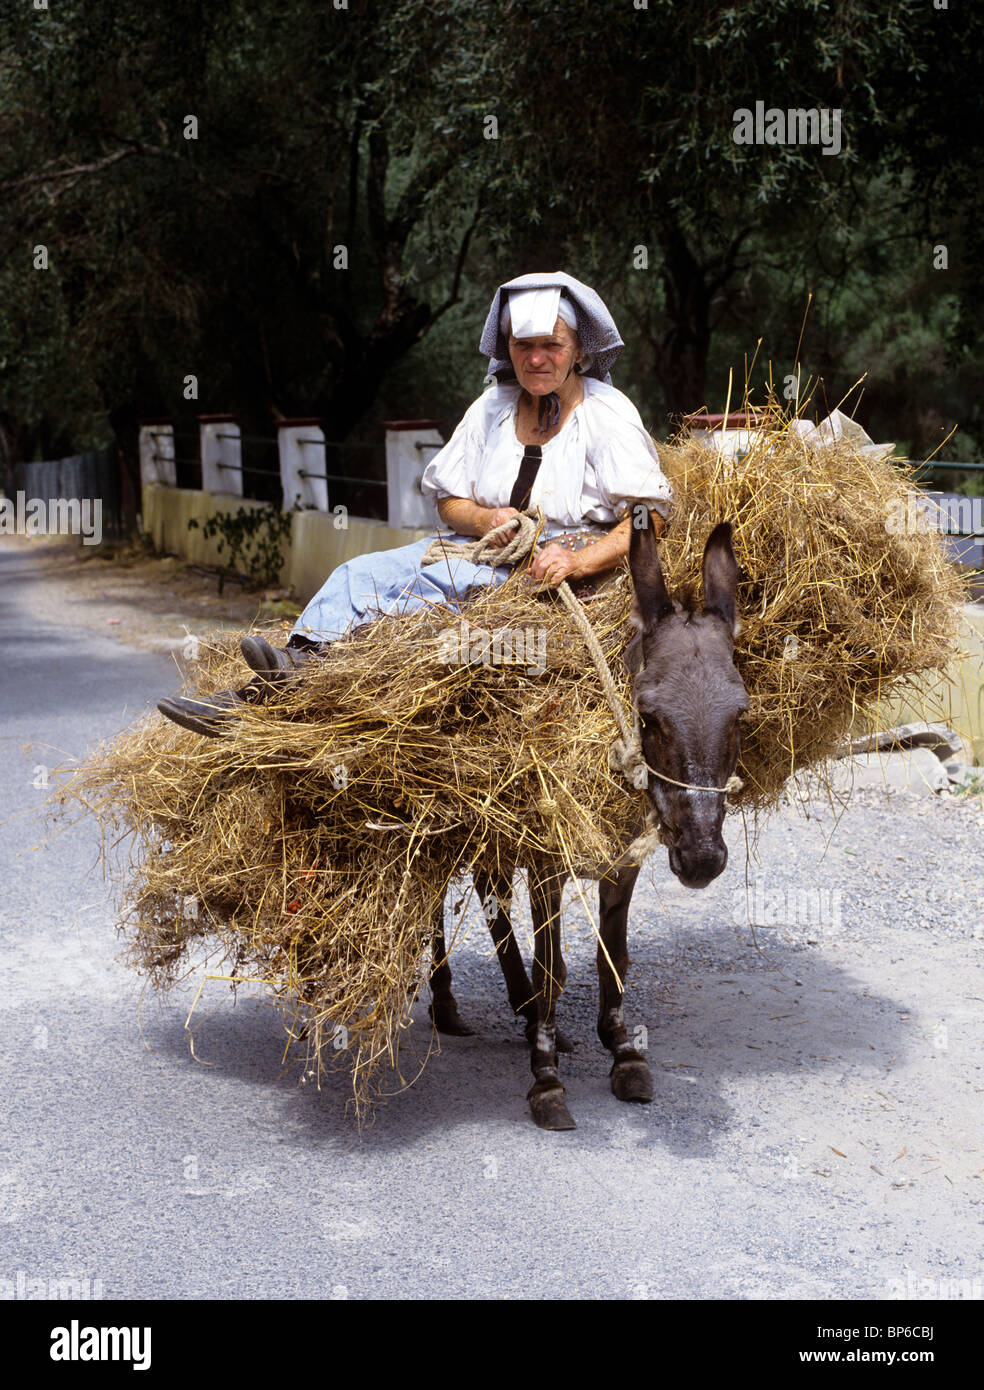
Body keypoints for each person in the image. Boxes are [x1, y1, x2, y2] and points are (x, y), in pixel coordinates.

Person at [157, 271, 672, 736]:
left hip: (550, 572)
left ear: (579, 349)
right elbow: (449, 500)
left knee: (414, 612)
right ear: (507, 348)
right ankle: (284, 675)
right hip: (480, 550)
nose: (536, 358)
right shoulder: (491, 408)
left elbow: (652, 516)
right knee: (358, 576)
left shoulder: (608, 415)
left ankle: (258, 702)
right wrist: (487, 517)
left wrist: (577, 560)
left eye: (551, 345)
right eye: (522, 345)